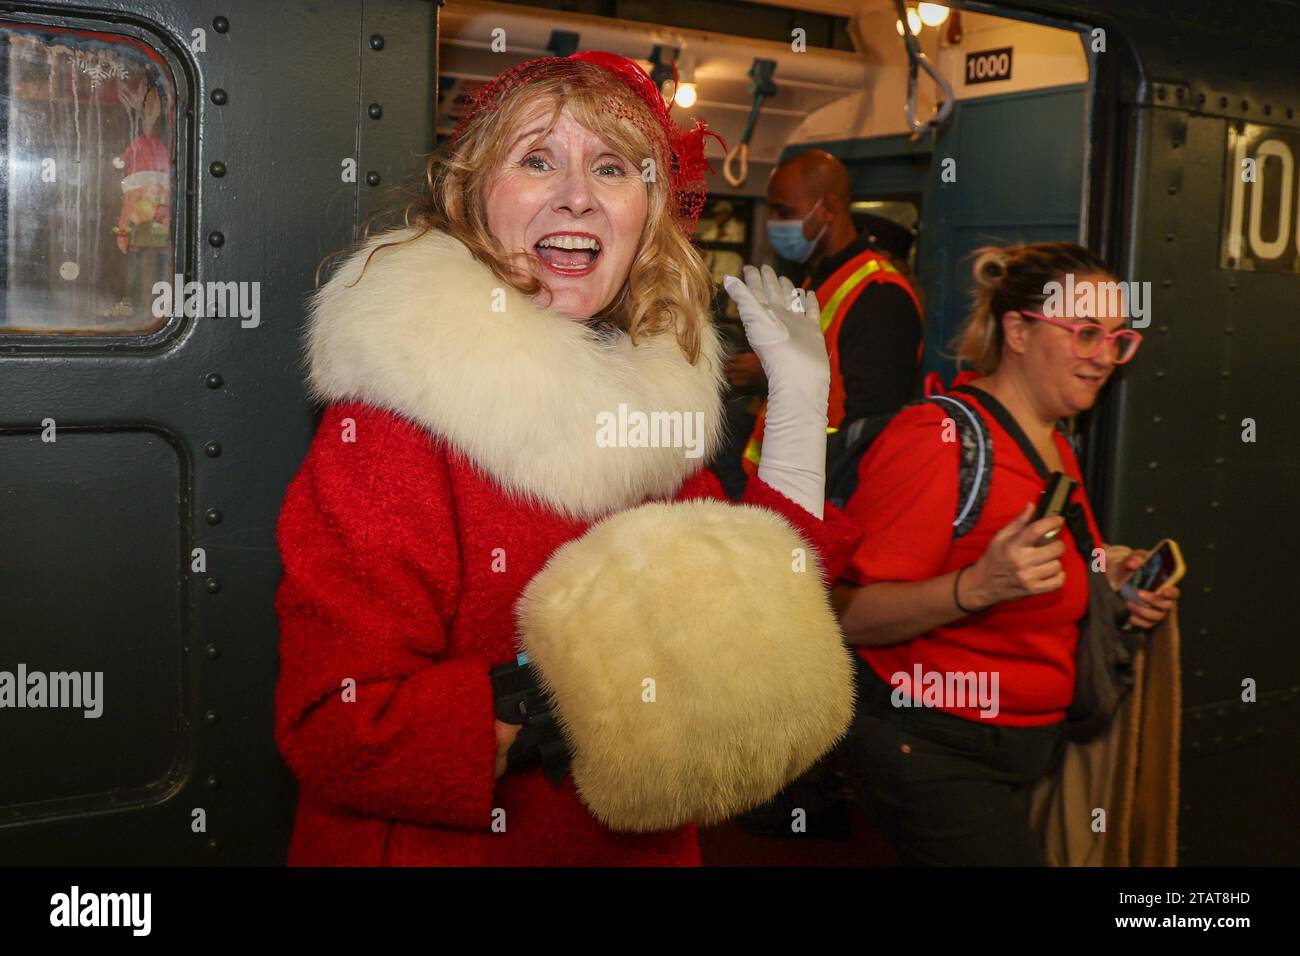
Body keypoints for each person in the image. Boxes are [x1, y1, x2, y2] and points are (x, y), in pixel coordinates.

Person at [272, 51, 862, 866]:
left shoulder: (644, 409)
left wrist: (799, 404)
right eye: (537, 159)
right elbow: (337, 726)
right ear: (474, 198)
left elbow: (755, 616)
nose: (577, 194)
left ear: (646, 213)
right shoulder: (392, 424)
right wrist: (567, 688)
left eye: (612, 167)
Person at [831, 242, 1181, 865]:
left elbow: (1064, 563)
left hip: (1020, 746)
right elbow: (844, 613)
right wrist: (976, 587)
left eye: (1118, 339)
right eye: (1085, 334)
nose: (1104, 357)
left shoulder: (1053, 443)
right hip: (936, 751)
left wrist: (1113, 577)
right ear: (1019, 330)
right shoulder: (939, 440)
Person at [732, 150, 923, 473]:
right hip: (781, 478)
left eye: (783, 211)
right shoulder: (820, 277)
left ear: (829, 209)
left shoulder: (881, 295)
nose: (774, 223)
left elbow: (870, 427)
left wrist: (770, 373)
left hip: (823, 487)